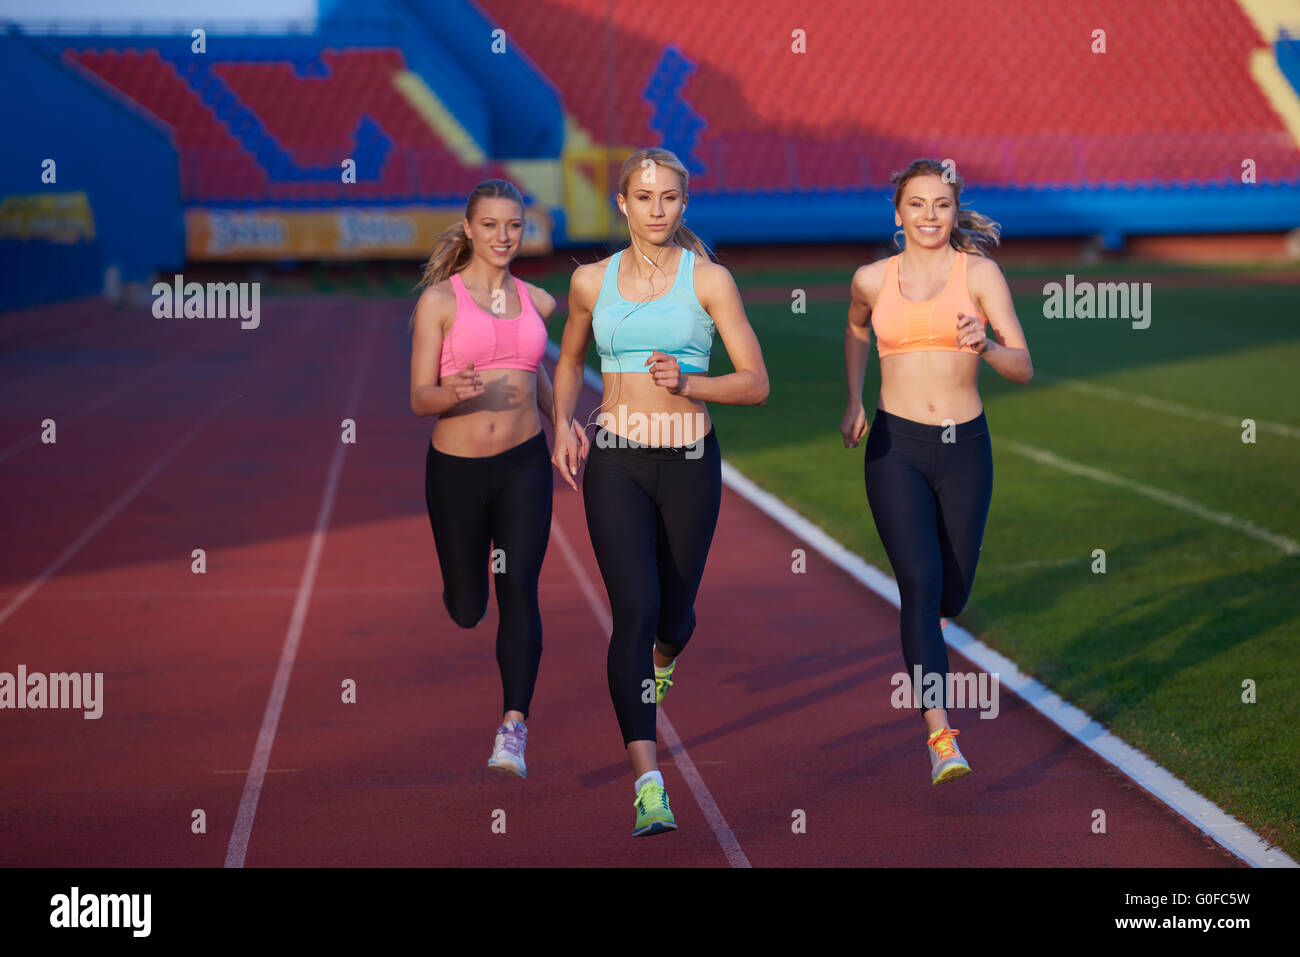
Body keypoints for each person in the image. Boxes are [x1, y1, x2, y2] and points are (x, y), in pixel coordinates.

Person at [550, 148, 769, 835]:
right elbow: (571, 358)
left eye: (669, 198)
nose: (656, 210)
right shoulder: (591, 280)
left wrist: (692, 382)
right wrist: (561, 421)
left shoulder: (711, 282)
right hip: (616, 455)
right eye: (644, 197)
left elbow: (756, 382)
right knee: (635, 610)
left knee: (675, 619)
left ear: (683, 203)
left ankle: (664, 661)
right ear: (623, 202)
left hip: (688, 460)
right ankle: (649, 782)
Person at [841, 159, 1033, 785]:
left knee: (952, 591)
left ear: (955, 211)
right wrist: (853, 399)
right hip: (895, 446)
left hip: (964, 450)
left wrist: (988, 345)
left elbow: (1023, 367)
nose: (928, 216)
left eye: (941, 205)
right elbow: (855, 328)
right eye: (916, 205)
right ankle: (941, 734)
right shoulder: (871, 278)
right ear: (898, 214)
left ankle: (934, 621)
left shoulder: (980, 274)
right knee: (920, 586)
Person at [409, 178, 581, 779]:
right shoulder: (440, 301)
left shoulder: (540, 302)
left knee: (520, 591)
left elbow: (537, 375)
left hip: (522, 466)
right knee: (467, 607)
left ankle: (513, 727)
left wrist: (562, 423)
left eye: (514, 225)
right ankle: (462, 595)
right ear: (469, 229)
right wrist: (448, 391)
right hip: (455, 471)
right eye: (490, 225)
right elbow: (416, 398)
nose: (503, 236)